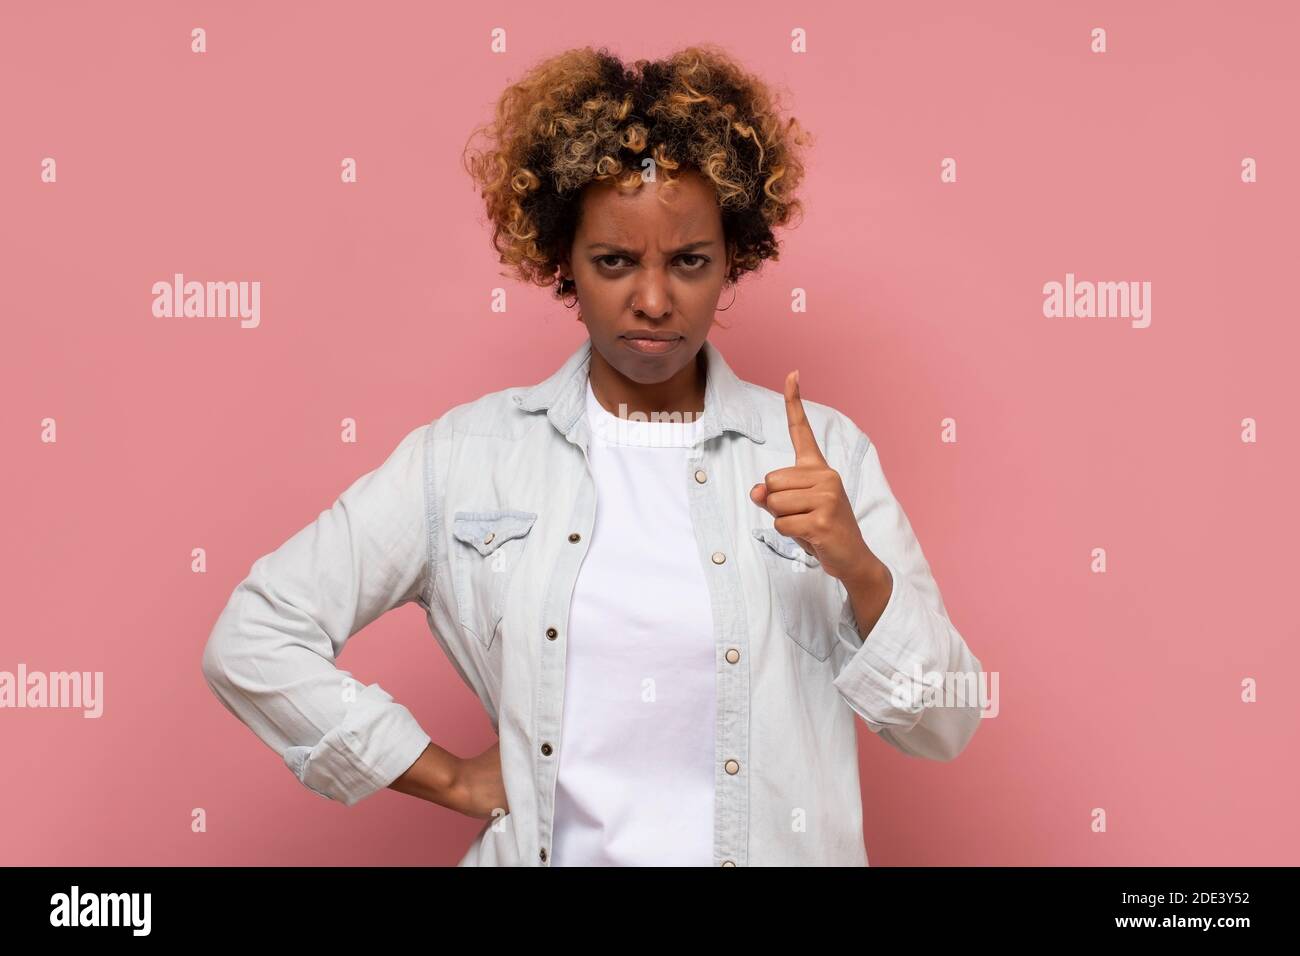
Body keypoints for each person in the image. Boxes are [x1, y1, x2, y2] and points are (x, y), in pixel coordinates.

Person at [201, 44, 983, 867]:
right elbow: (254, 637)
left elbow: (947, 723)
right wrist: (443, 776)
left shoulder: (828, 456)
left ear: (733, 258)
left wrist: (861, 572)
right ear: (563, 262)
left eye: (689, 261)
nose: (653, 300)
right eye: (614, 262)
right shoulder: (466, 459)